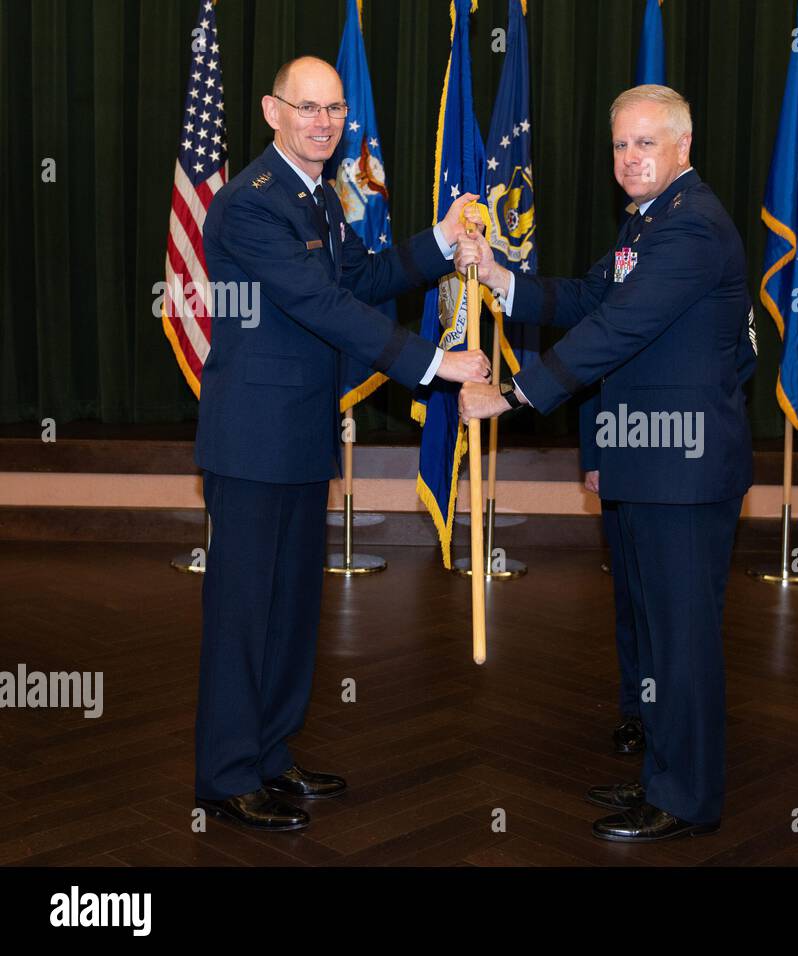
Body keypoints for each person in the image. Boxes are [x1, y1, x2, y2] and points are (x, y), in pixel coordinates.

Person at [194, 56, 489, 832]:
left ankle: (269, 755)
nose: (322, 122)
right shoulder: (251, 205)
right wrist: (432, 363)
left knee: (291, 608)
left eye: (333, 110)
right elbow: (322, 304)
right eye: (307, 107)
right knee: (242, 612)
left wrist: (441, 238)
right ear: (272, 110)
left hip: (298, 436)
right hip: (253, 441)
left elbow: (361, 275)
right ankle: (226, 777)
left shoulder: (318, 195)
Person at [457, 84, 757, 842]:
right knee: (656, 635)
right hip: (645, 462)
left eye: (645, 144)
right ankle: (661, 778)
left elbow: (617, 327)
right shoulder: (647, 225)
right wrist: (500, 277)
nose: (629, 159)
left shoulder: (691, 229)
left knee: (681, 641)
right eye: (621, 145)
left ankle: (686, 799)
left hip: (682, 470)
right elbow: (592, 295)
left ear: (682, 147)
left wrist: (515, 394)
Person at [578, 389, 644, 756]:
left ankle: (678, 714)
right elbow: (594, 376)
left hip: (690, 456)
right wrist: (594, 455)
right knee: (631, 597)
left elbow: (740, 365)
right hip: (620, 453)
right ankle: (635, 710)